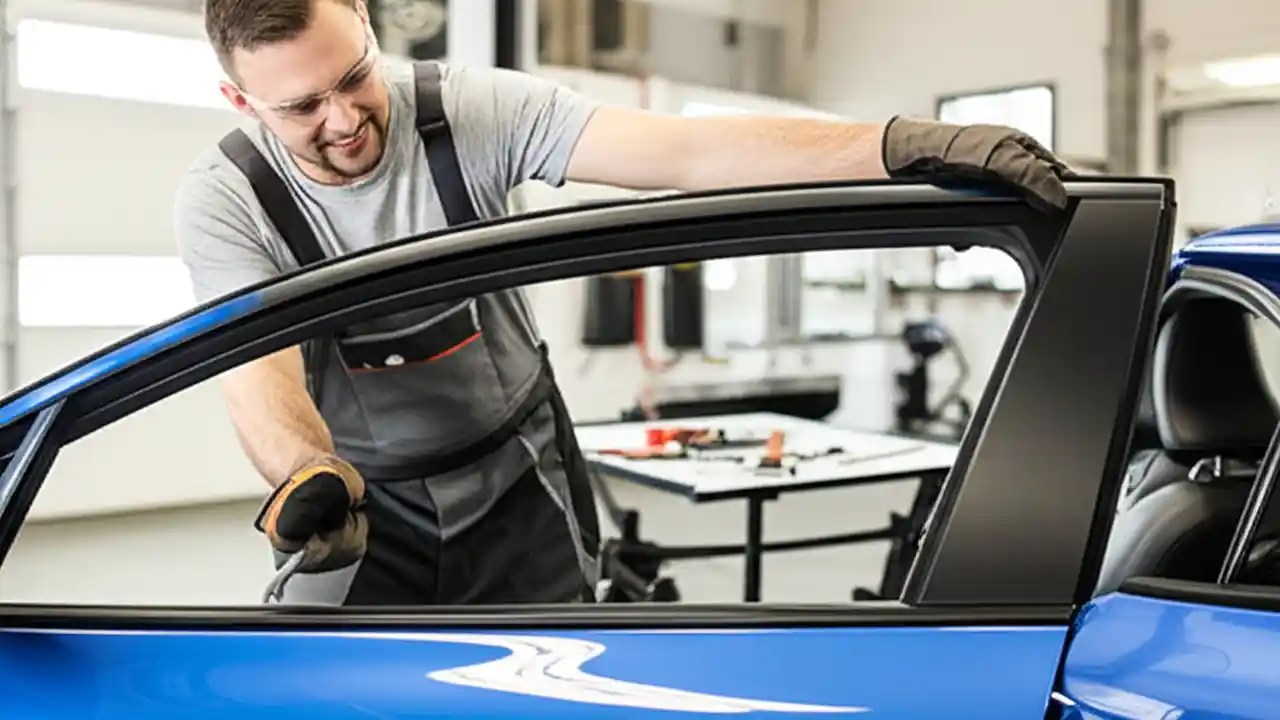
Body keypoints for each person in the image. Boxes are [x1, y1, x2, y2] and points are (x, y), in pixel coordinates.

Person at [175, 0, 1072, 607]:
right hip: (364, 506)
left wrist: (900, 145)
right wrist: (306, 476)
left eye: (354, 78)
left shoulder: (465, 113)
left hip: (518, 480)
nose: (342, 120)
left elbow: (688, 156)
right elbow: (259, 369)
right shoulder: (228, 197)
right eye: (300, 107)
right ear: (239, 100)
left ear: (367, 26)